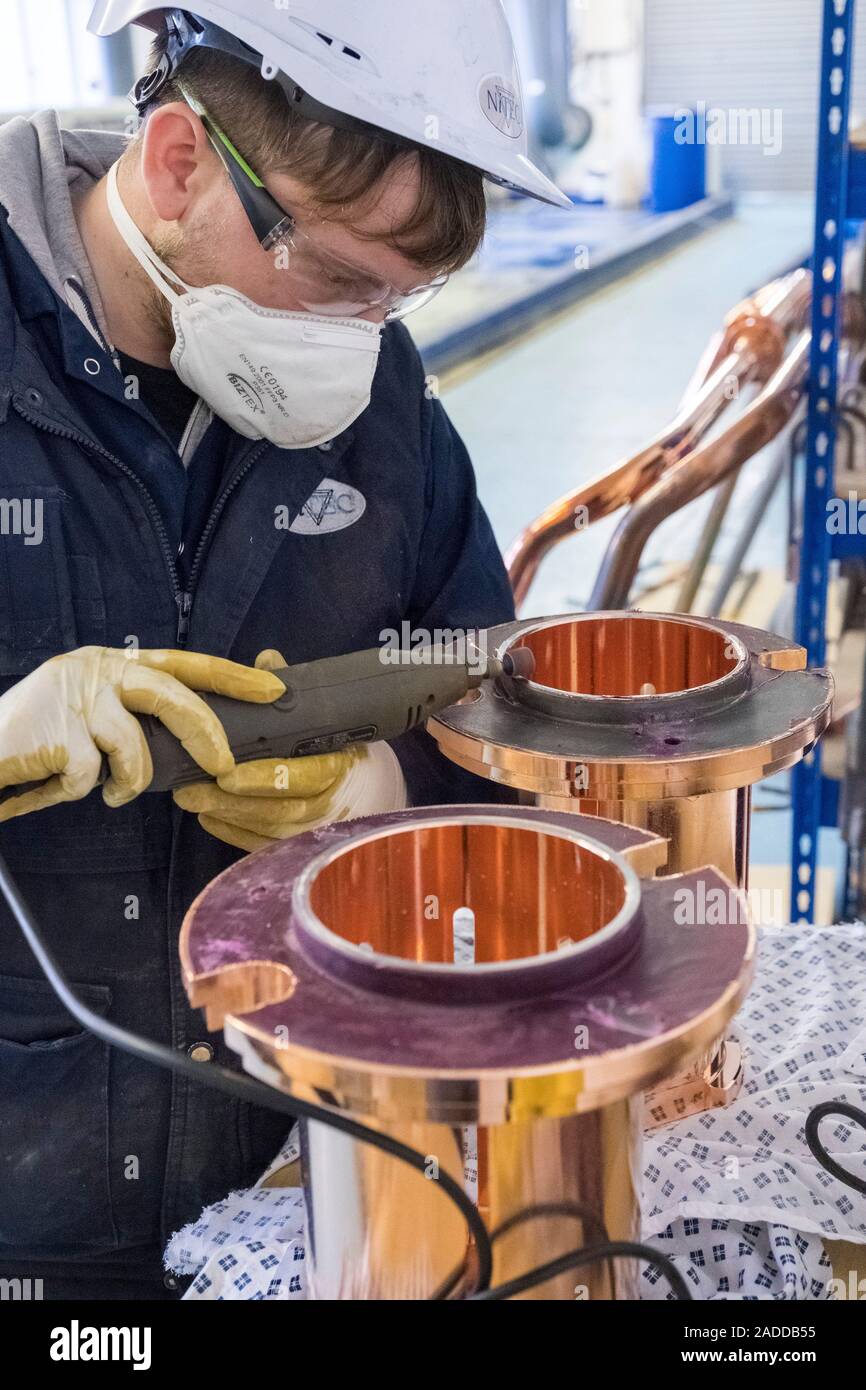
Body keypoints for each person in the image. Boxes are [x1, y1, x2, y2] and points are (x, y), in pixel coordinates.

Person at [0, 1, 569, 1298]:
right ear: (183, 161)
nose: (361, 336)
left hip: (298, 1167)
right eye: (335, 277)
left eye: (402, 293)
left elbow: (488, 710)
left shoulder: (384, 410)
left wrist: (384, 792)